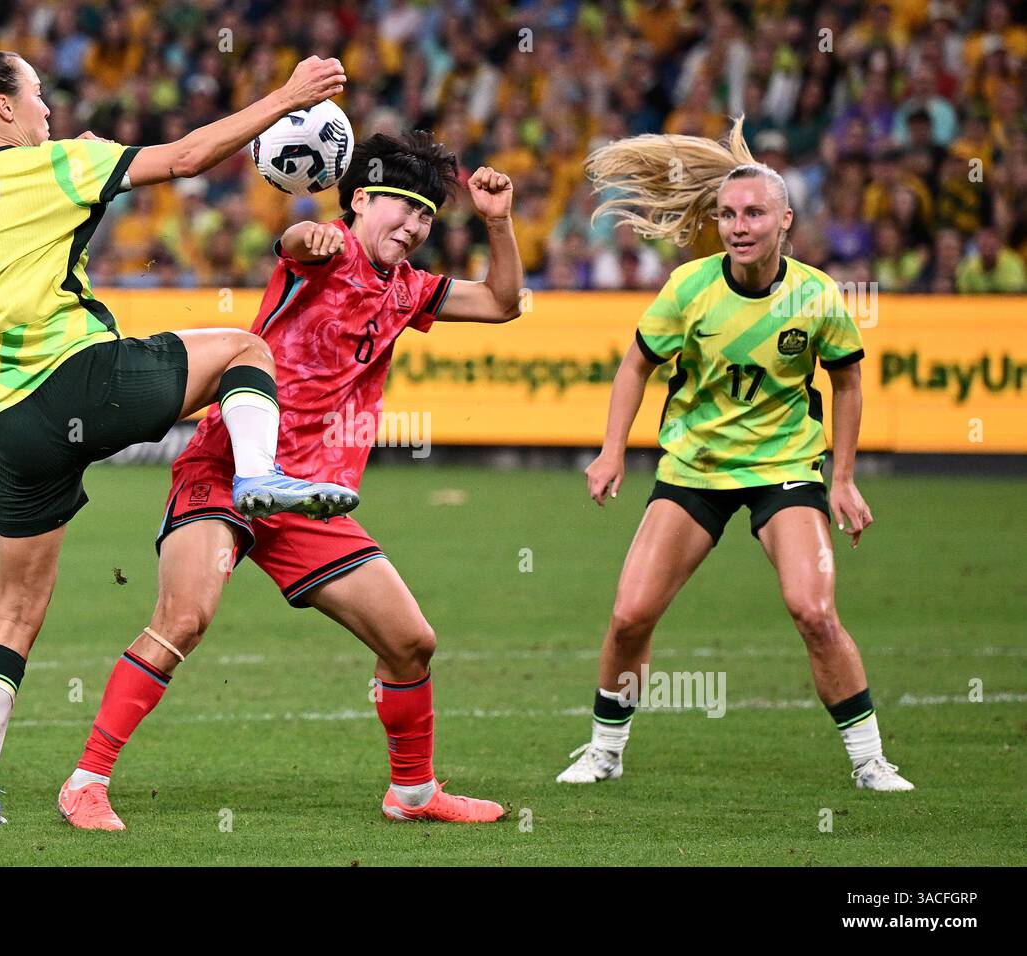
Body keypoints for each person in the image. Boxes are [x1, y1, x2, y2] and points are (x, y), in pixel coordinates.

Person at [0, 49, 360, 824]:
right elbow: (190, 157)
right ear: (2, 107)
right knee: (243, 350)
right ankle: (259, 475)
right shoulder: (64, 161)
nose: (48, 108)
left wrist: (83, 165)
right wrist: (286, 94)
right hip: (75, 380)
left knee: (15, 612)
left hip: (10, 418)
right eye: (36, 94)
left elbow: (36, 213)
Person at [59, 131, 524, 830]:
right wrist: (311, 233)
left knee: (410, 642)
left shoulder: (408, 290)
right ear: (361, 200)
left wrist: (497, 221)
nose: (415, 227)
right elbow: (298, 242)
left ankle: (414, 794)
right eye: (403, 209)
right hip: (230, 472)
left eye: (427, 217)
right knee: (184, 618)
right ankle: (85, 783)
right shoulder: (322, 254)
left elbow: (502, 303)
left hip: (309, 499)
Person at [556, 117, 914, 792]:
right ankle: (605, 749)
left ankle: (870, 762)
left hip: (784, 469)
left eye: (753, 213)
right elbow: (635, 366)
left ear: (785, 220)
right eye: (726, 213)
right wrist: (610, 453)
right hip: (694, 469)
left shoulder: (817, 296)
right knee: (631, 615)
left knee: (814, 611)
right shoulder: (689, 289)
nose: (738, 225)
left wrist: (841, 479)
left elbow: (847, 380)